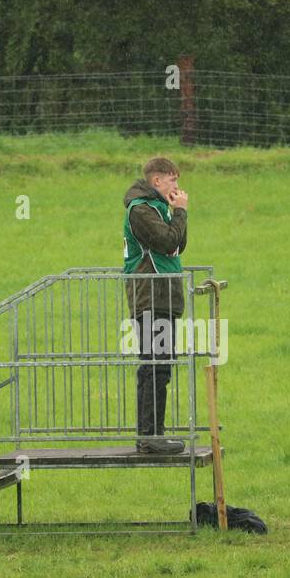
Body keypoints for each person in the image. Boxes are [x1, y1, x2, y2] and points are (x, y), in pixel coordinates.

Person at [122, 157, 188, 453]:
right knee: (153, 366)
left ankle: (153, 434)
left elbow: (177, 244)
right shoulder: (142, 211)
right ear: (157, 181)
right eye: (173, 180)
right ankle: (149, 436)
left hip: (162, 298)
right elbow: (166, 242)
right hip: (150, 297)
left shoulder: (157, 209)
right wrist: (181, 211)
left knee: (160, 366)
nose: (177, 185)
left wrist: (177, 215)